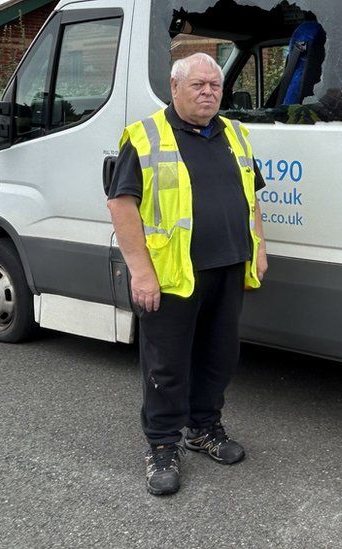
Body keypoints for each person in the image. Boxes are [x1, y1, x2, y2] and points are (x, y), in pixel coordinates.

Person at [106, 52, 268, 496]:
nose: (208, 93)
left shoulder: (234, 133)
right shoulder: (146, 137)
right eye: (198, 85)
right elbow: (121, 205)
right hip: (172, 274)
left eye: (215, 85)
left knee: (219, 357)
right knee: (168, 365)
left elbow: (252, 196)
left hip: (228, 266)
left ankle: (204, 429)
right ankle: (162, 445)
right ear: (174, 87)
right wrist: (141, 272)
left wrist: (259, 246)